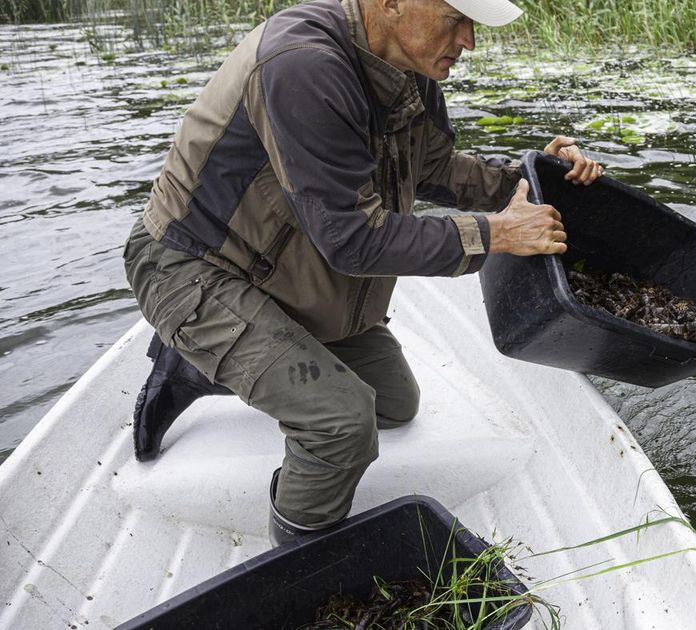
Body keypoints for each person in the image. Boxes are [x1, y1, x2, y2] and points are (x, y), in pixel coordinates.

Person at [121, 0, 603, 545]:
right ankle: (300, 565)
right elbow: (351, 240)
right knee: (342, 425)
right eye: (455, 19)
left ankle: (195, 366)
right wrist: (496, 234)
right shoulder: (302, 65)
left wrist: (532, 177)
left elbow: (436, 170)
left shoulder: (410, 72)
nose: (469, 40)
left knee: (395, 404)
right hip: (193, 269)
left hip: (278, 265)